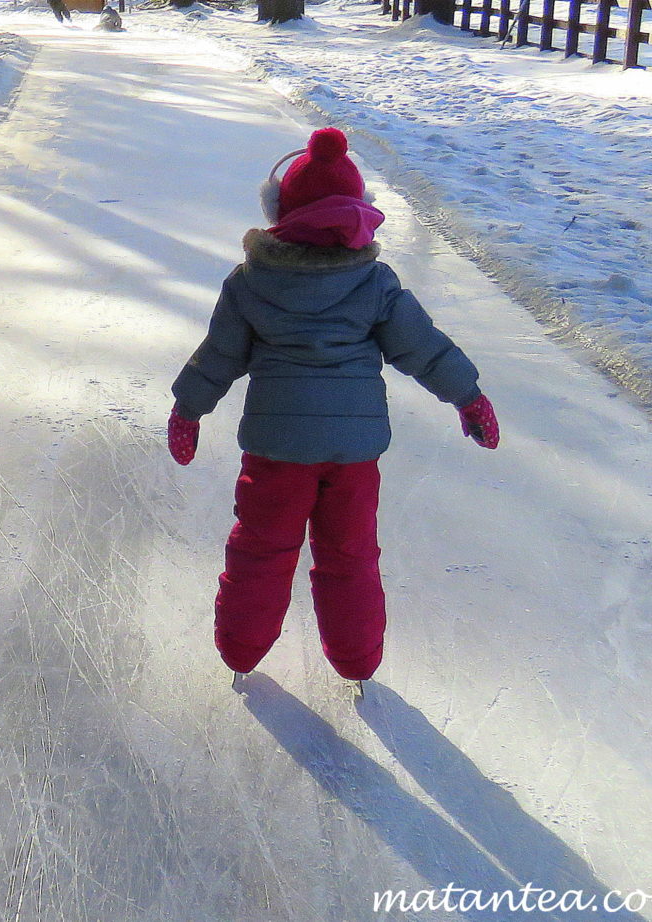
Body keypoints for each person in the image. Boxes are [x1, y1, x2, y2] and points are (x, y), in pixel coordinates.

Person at [167, 127, 498, 695]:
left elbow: (220, 355)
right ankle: (357, 660)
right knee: (350, 556)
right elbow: (423, 348)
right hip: (353, 455)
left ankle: (241, 649)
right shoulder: (375, 282)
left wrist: (188, 408)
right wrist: (467, 395)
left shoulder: (251, 281)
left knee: (261, 549)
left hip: (276, 452)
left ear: (280, 211)